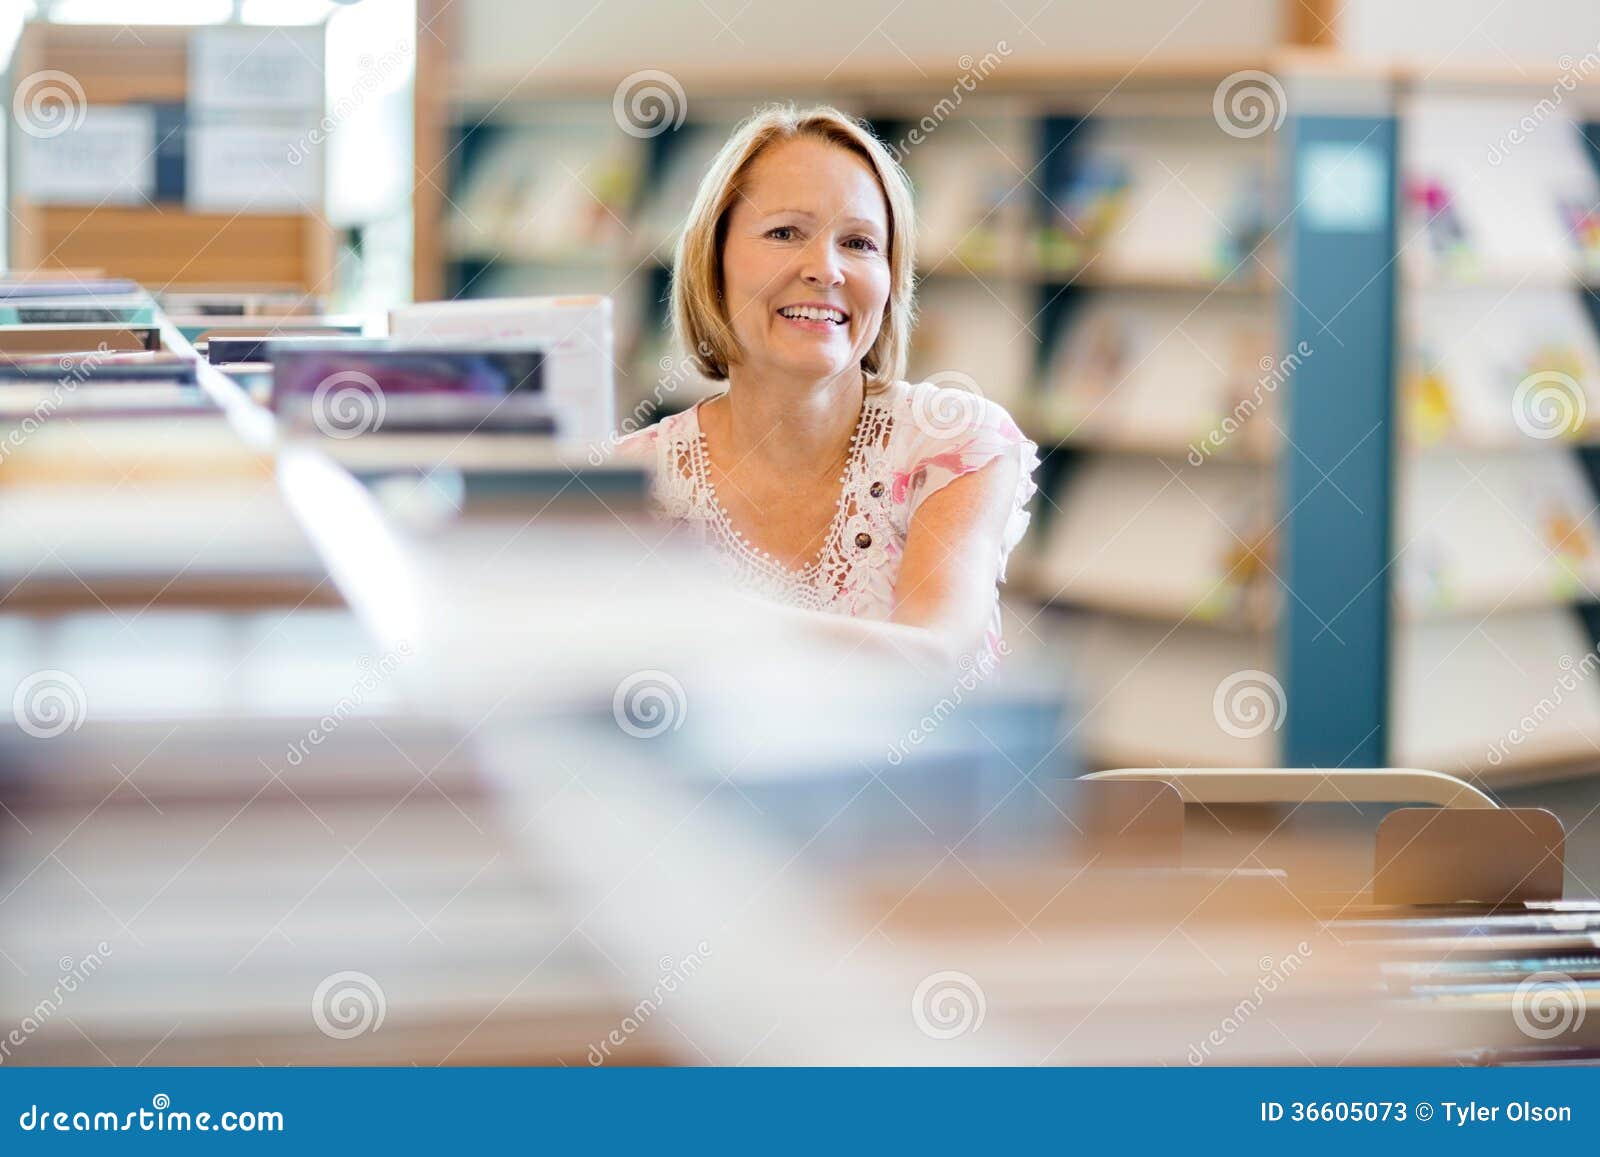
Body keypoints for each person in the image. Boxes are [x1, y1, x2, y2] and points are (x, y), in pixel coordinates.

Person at [619, 104, 1038, 667]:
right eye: (785, 232)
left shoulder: (952, 442)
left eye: (860, 243)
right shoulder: (630, 483)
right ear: (712, 261)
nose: (826, 270)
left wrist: (699, 617)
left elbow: (934, 660)